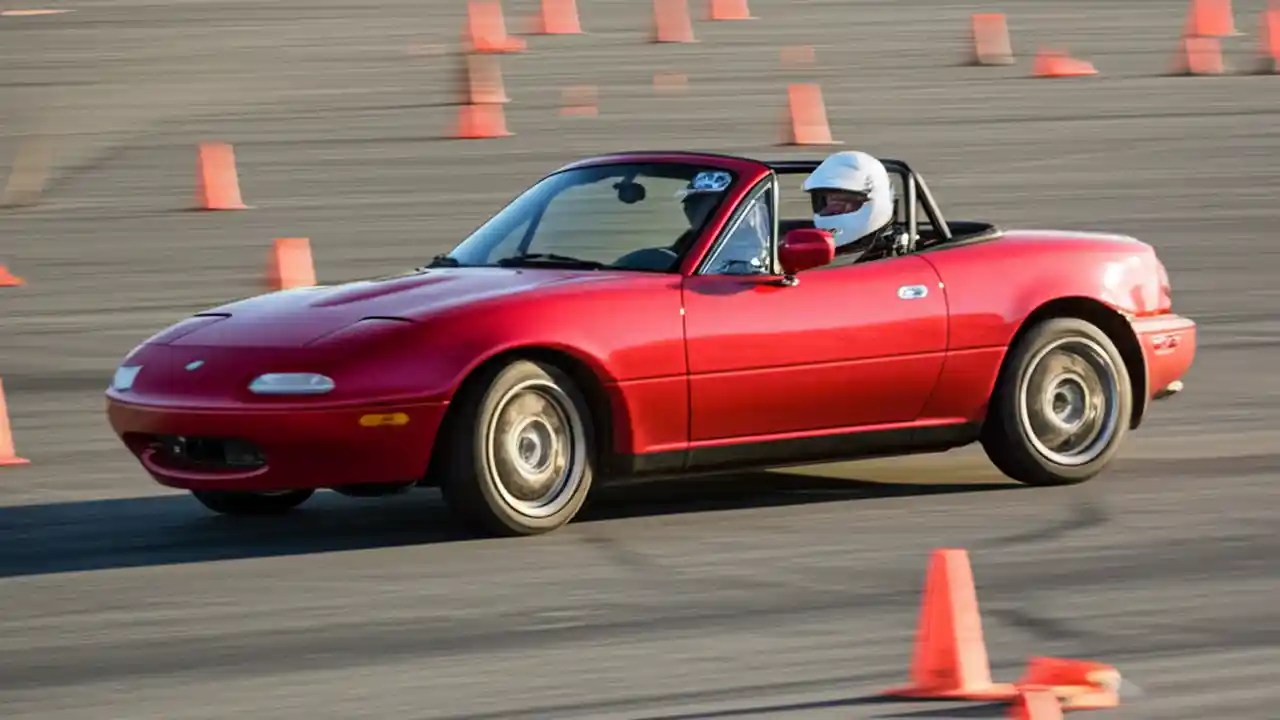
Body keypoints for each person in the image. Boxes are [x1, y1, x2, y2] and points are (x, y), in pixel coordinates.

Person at [801, 150, 899, 264]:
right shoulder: (804, 246)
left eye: (845, 200)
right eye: (832, 200)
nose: (834, 208)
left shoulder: (893, 260)